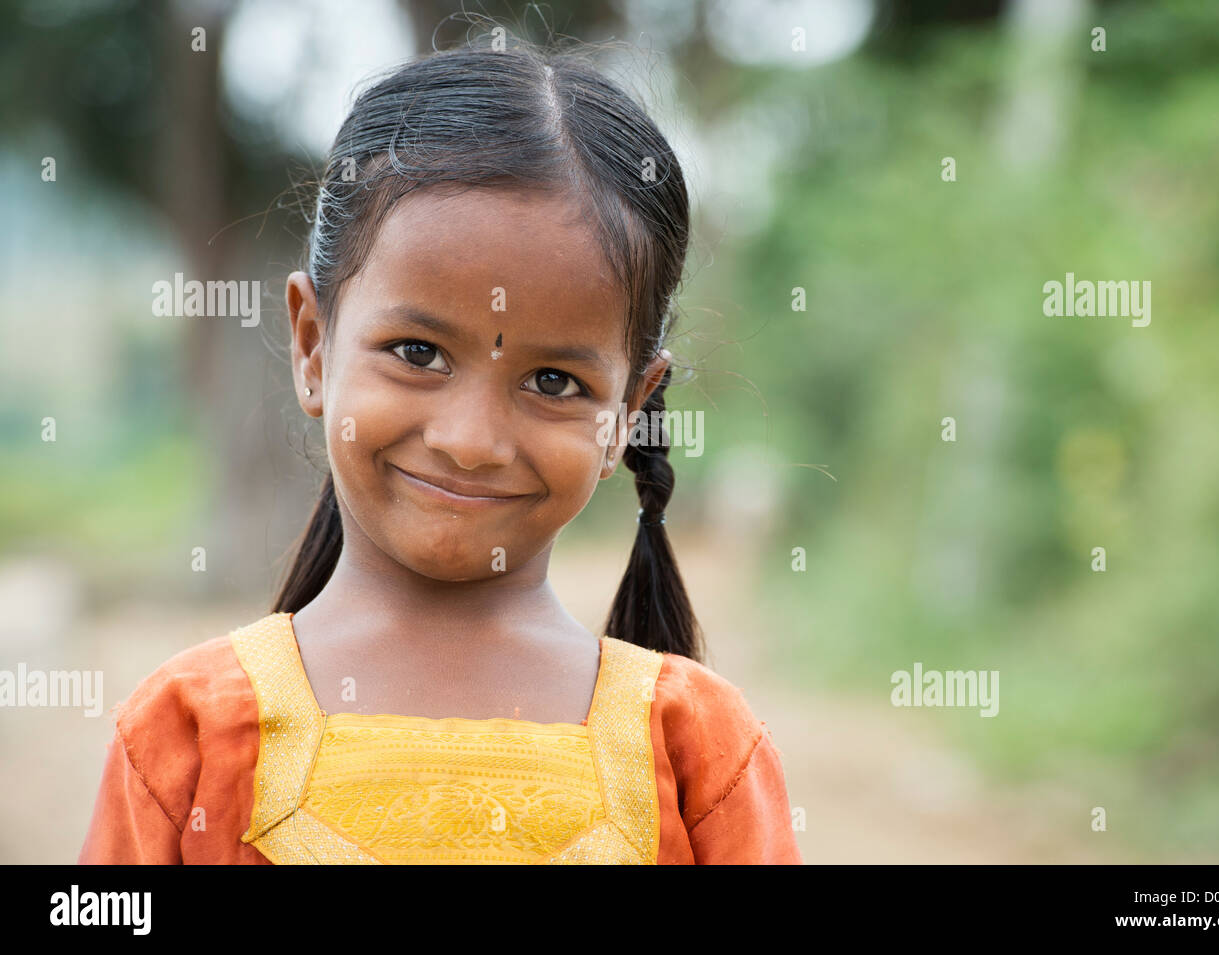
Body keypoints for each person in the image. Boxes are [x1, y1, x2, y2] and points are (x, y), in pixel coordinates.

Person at [78, 34, 801, 865]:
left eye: (555, 382)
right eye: (419, 353)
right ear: (314, 347)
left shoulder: (695, 755)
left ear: (628, 413)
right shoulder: (187, 737)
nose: (470, 441)